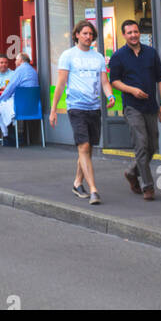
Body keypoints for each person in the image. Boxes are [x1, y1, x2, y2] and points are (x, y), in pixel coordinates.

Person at [49, 20, 115, 205]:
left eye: (91, 34)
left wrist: (110, 96)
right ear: (77, 34)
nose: (88, 37)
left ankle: (77, 182)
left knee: (87, 148)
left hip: (94, 107)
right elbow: (61, 84)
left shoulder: (98, 57)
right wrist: (53, 109)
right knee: (83, 147)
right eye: (85, 33)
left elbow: (104, 81)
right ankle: (94, 189)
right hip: (76, 106)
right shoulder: (68, 55)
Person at [108, 20, 161, 201]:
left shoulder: (151, 53)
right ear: (124, 35)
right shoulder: (118, 56)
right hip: (132, 107)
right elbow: (114, 81)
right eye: (129, 32)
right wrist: (132, 90)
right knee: (141, 144)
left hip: (151, 106)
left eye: (135, 31)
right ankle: (148, 186)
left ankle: (132, 171)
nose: (133, 35)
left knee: (152, 146)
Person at [0, 54, 40, 145]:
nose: (15, 62)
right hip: (34, 106)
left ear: (21, 60)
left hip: (20, 105)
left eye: (16, 59)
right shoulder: (33, 70)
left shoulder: (19, 71)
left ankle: (10, 139)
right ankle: (18, 137)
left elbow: (10, 88)